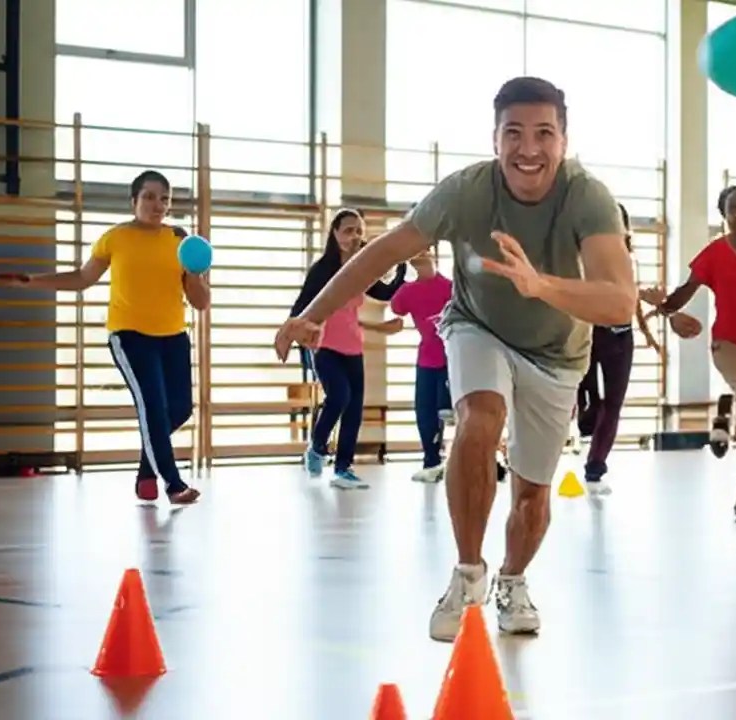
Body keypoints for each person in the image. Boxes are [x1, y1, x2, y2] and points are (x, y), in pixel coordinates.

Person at [272, 76, 636, 642]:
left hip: (558, 352)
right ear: (495, 139)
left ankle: (512, 581)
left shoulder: (588, 196)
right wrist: (313, 314)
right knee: (479, 418)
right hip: (477, 327)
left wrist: (540, 285)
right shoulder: (466, 190)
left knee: (533, 491)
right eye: (513, 133)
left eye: (544, 133)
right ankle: (468, 572)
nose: (529, 148)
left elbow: (620, 299)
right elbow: (385, 250)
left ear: (564, 140)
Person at [0, 170, 205, 505]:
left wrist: (194, 273)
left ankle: (146, 470)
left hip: (174, 337)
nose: (157, 204)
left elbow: (201, 302)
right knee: (152, 408)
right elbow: (81, 277)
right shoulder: (115, 238)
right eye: (149, 197)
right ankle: (173, 484)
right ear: (133, 201)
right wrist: (30, 280)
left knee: (179, 409)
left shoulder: (181, 241)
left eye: (164, 198)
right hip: (130, 336)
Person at [644, 184, 736, 523]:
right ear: (723, 214)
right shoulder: (714, 254)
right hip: (728, 343)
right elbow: (683, 294)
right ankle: (733, 406)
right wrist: (664, 308)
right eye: (734, 207)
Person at [289, 208, 406, 489]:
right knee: (339, 396)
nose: (354, 236)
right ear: (335, 234)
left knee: (354, 408)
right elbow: (300, 308)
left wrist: (401, 266)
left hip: (353, 347)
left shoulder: (361, 269)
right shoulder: (323, 270)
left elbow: (384, 293)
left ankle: (343, 469)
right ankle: (317, 447)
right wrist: (299, 337)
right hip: (326, 347)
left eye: (358, 230)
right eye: (348, 230)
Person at [574, 203, 661, 494]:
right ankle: (587, 418)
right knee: (587, 396)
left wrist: (648, 333)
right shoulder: (583, 254)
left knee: (613, 402)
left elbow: (631, 299)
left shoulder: (629, 257)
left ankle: (596, 463)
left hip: (620, 337)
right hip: (588, 331)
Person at [387, 248, 455, 483]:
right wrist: (399, 271)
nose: (422, 257)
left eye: (425, 252)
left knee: (445, 410)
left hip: (452, 357)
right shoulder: (408, 291)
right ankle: (431, 461)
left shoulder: (451, 287)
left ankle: (462, 460)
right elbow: (396, 307)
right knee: (424, 411)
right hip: (427, 357)